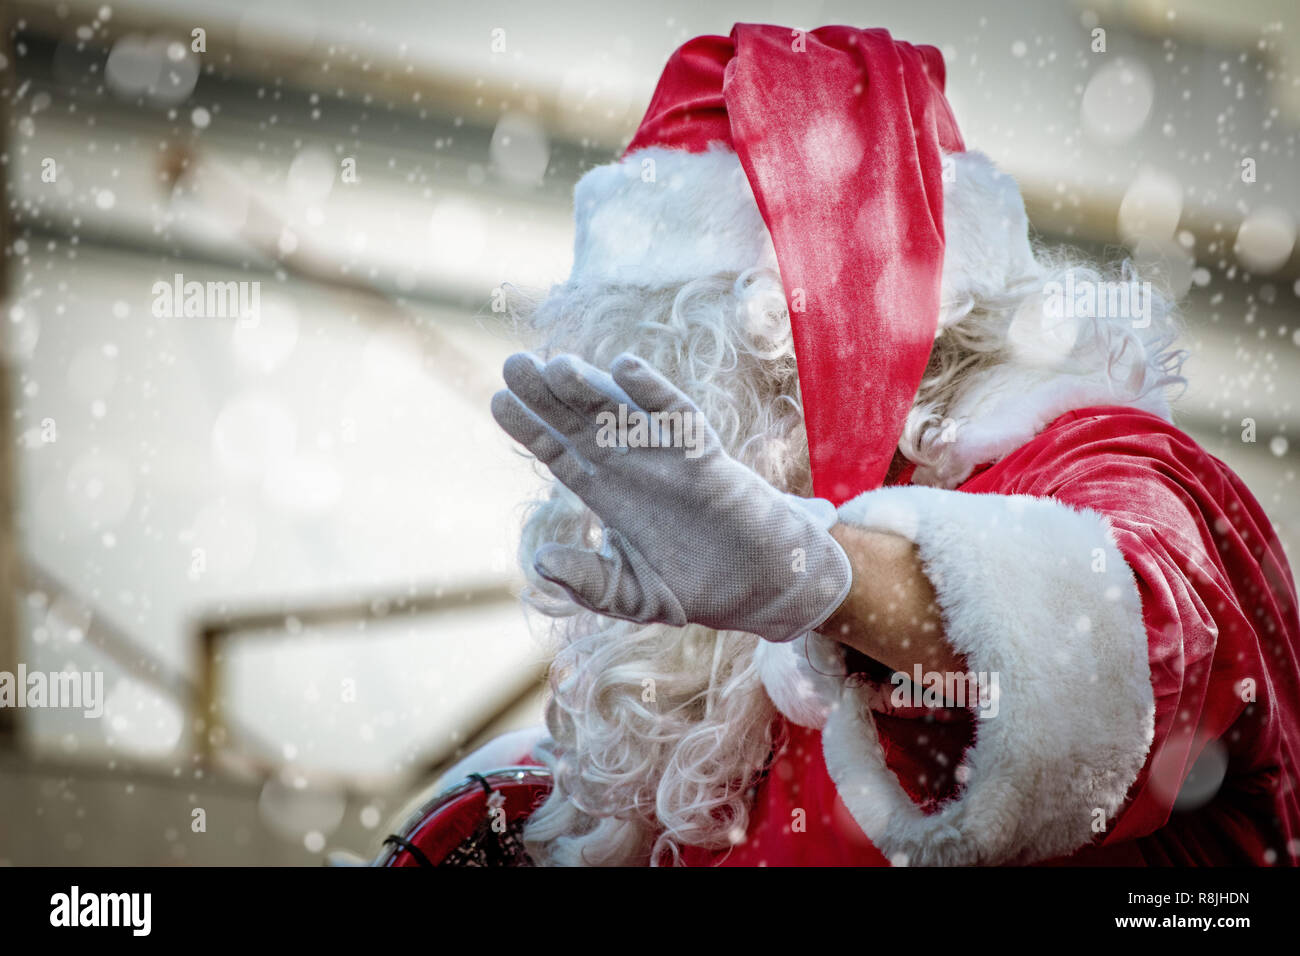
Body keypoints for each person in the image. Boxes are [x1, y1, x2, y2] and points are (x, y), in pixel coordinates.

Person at [457, 23, 1300, 866]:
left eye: (663, 352)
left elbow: (1138, 647)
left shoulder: (1088, 457)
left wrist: (823, 576)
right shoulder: (700, 678)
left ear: (791, 342)